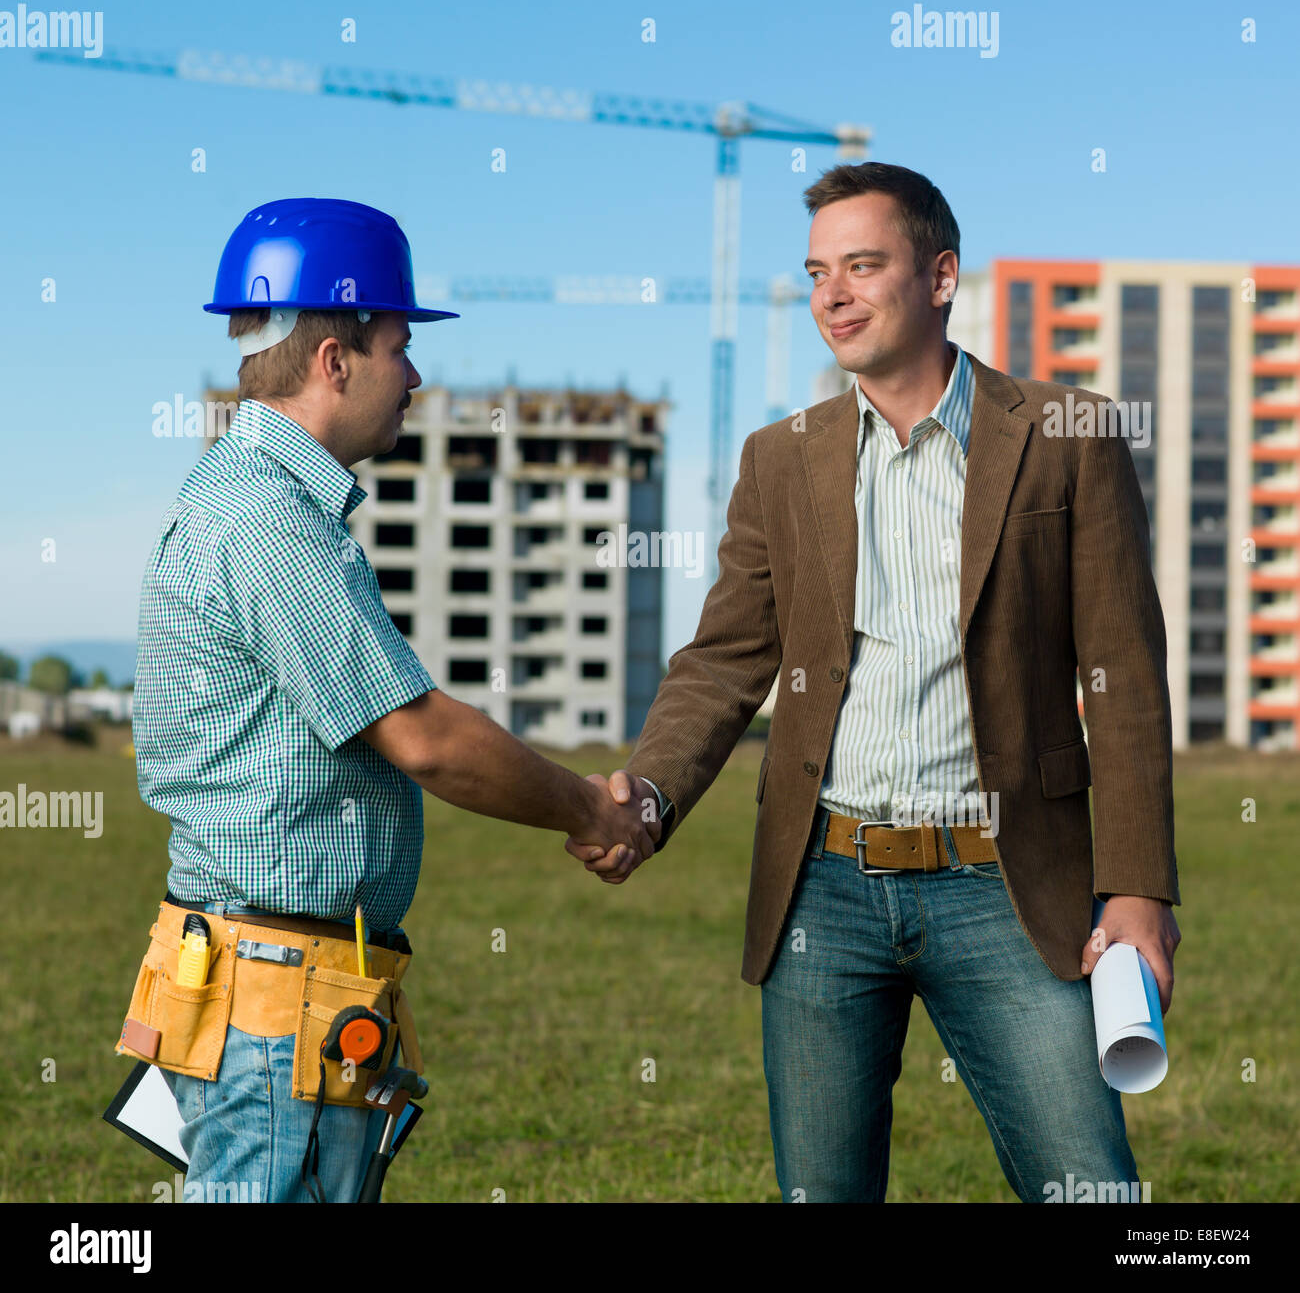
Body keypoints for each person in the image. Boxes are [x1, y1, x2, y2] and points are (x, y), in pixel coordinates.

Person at [571, 162, 1181, 1203]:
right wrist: (652, 792)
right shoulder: (779, 460)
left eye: (863, 265)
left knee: (1091, 1188)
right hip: (824, 888)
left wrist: (1137, 886)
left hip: (1006, 881)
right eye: (816, 272)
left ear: (941, 275)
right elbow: (724, 658)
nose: (832, 295)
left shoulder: (1064, 435)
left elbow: (1121, 674)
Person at [122, 197, 657, 1203]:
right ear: (334, 358)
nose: (415, 376)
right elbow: (423, 736)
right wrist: (589, 809)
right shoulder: (268, 520)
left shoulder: (248, 498)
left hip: (270, 978)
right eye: (400, 346)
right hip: (271, 996)